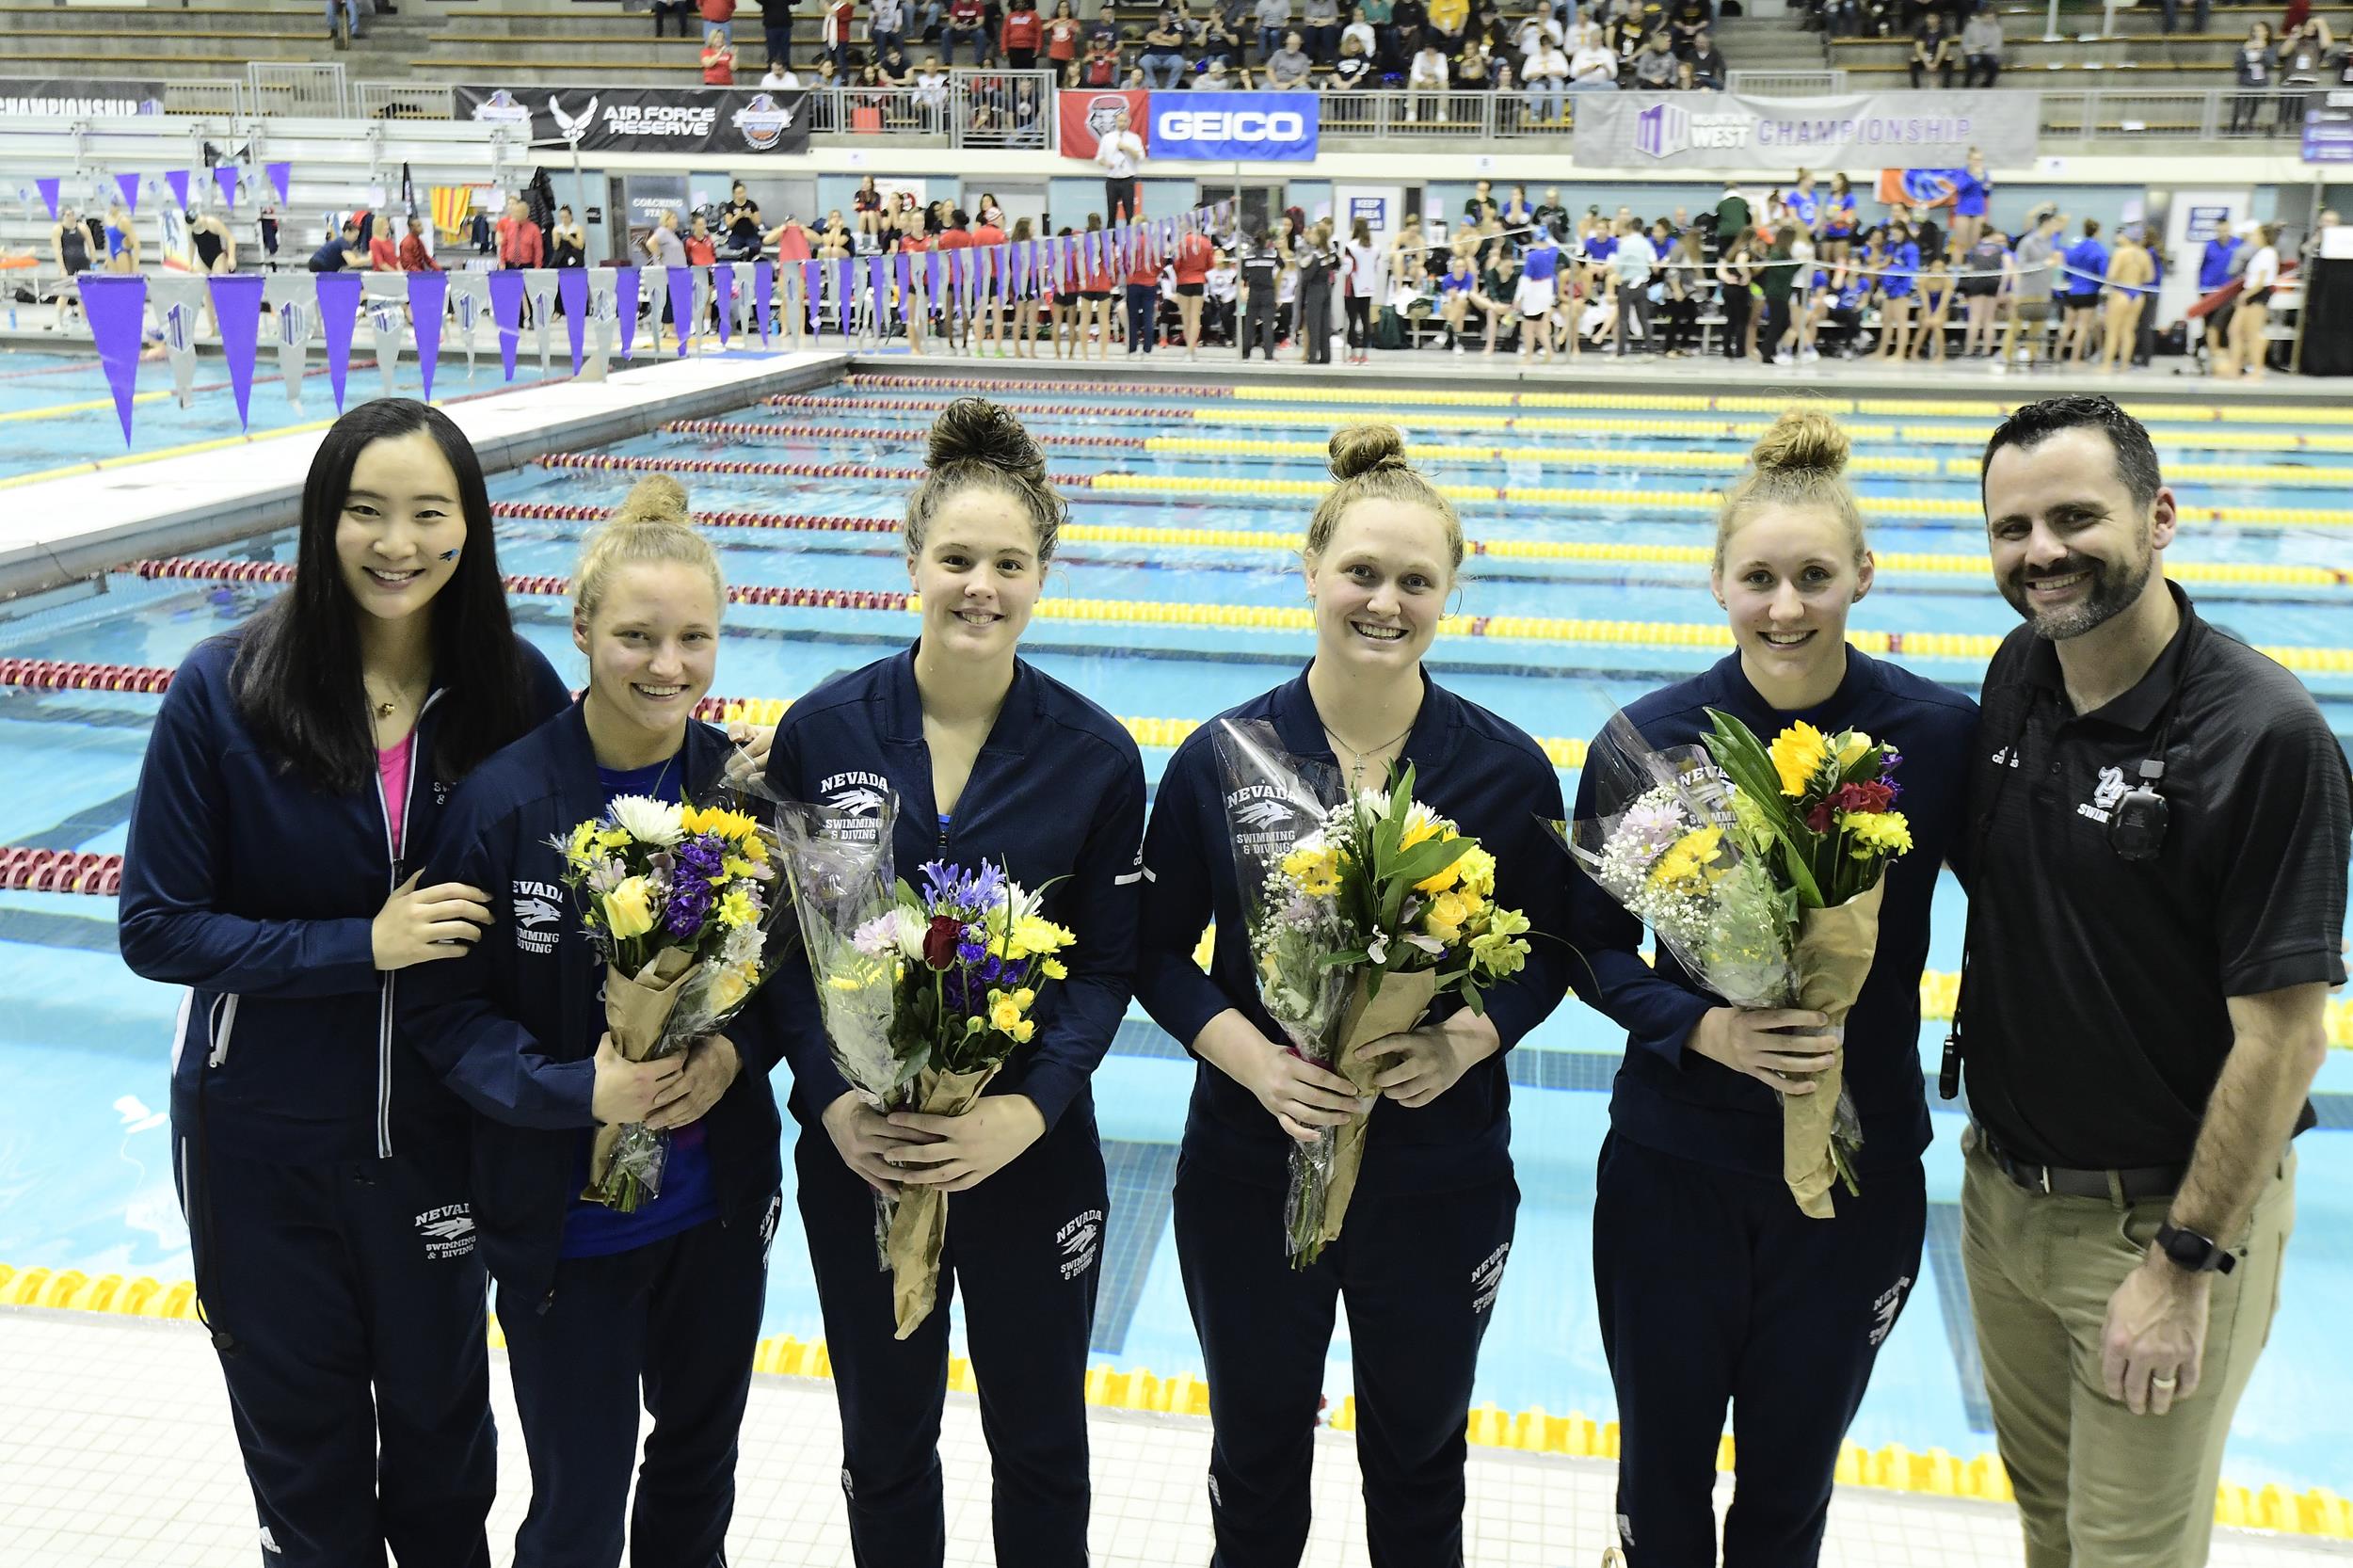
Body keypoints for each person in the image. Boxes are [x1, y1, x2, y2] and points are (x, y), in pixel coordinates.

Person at [120, 399, 572, 1568]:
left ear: (469, 528)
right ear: (323, 524)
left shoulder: (513, 691)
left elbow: (599, 847)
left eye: (429, 512)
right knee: (307, 1483)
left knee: (442, 1470)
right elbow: (157, 927)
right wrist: (353, 945)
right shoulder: (222, 691)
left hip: (435, 1144)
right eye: (365, 512)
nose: (397, 542)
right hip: (261, 1149)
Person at [1135, 425, 1572, 1568]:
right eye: (1363, 574)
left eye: (1415, 581)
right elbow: (1151, 951)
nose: (1386, 601)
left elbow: (1555, 948)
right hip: (1247, 1161)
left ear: (1449, 595)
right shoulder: (1220, 757)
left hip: (1437, 1174)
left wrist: (1467, 1041)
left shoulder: (1506, 769)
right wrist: (1255, 1063)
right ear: (1313, 570)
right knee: (1257, 1451)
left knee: (1421, 1462)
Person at [1568, 406, 1977, 1568]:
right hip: (1673, 1169)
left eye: (1812, 575)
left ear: (1862, 573)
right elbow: (1586, 948)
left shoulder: (1935, 734)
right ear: (1716, 583)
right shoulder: (1650, 741)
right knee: (1659, 1474)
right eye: (1758, 578)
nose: (1785, 604)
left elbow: (2012, 908)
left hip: (1857, 1175)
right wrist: (1701, 1029)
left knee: (1790, 1490)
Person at [1957, 394, 2348, 1568]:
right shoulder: (2020, 670)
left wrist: (2182, 1265)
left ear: (2159, 516)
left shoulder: (2263, 735)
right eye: (2012, 527)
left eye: (2076, 516)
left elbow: (2284, 1039)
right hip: (2003, 1205)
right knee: (2052, 1529)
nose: (2042, 552)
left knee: (2132, 1554)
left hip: (2158, 1226)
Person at [764, 401, 1144, 1568]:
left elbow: (1105, 963)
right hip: (861, 1150)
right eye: (958, 559)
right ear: (911, 561)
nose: (981, 586)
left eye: (1008, 564)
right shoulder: (824, 729)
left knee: (1040, 1444)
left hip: (1027, 1157)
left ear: (1043, 577)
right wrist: (832, 1104)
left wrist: (1021, 1113)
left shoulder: (1094, 756)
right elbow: (786, 949)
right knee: (884, 1441)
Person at [403, 474, 787, 1568]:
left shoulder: (738, 791)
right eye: (635, 636)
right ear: (580, 633)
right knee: (578, 1500)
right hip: (565, 1225)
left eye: (693, 638)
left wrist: (728, 1052)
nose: (667, 665)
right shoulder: (505, 803)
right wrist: (577, 1091)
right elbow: (445, 1016)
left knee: (697, 1480)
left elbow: (785, 985)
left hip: (714, 1211)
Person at [2229, 222, 2281, 380]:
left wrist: (2246, 295)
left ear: (2264, 237)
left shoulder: (2268, 253)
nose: (2252, 237)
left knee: (2254, 334)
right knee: (2235, 330)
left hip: (2257, 294)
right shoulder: (2260, 253)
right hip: (2250, 292)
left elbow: (2261, 281)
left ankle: (2257, 369)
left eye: (2255, 234)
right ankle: (2235, 367)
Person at [2099, 227, 2154, 373]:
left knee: (2112, 331)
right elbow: (2150, 277)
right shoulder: (2145, 254)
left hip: (2121, 293)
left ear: (2127, 237)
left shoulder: (2121, 252)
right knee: (2128, 331)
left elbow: (2111, 275)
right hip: (2137, 294)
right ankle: (2124, 365)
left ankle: (2107, 365)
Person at [2197, 219, 2247, 375]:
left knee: (2223, 325)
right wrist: (2200, 288)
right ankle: (2212, 359)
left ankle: (2228, 360)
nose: (2222, 233)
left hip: (2229, 292)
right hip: (2209, 291)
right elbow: (2202, 267)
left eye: (2225, 230)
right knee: (2209, 324)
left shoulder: (2239, 244)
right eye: (2220, 230)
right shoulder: (2210, 246)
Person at [1959, 222, 2012, 360]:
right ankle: (1986, 351)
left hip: (1977, 282)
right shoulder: (2001, 249)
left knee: (1975, 318)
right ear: (1992, 234)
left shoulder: (1974, 249)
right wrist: (2002, 287)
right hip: (1993, 282)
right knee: (1989, 319)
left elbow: (1969, 269)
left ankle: (1969, 351)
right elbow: (2007, 269)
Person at [2057, 218, 2107, 364]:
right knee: (2083, 326)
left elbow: (2066, 271)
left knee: (2067, 325)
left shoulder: (2074, 249)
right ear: (2097, 232)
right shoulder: (2099, 250)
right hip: (2089, 292)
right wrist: (2098, 286)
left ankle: (2057, 354)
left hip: (2072, 292)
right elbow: (2103, 274)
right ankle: (2074, 358)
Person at [1609, 214, 1657, 357]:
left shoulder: (1625, 244)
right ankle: (1650, 350)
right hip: (1642, 285)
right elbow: (1654, 264)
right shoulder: (1647, 244)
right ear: (1642, 229)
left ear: (1630, 228)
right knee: (1644, 319)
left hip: (1627, 284)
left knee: (1623, 319)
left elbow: (1618, 268)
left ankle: (1621, 352)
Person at [1295, 217, 1337, 363]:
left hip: (1315, 290)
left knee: (1313, 325)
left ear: (1319, 237)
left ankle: (1312, 357)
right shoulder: (1330, 253)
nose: (1310, 236)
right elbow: (1337, 265)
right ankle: (1326, 356)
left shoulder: (1316, 256)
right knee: (1325, 325)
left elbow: (1306, 277)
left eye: (1313, 234)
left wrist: (1303, 267)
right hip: (1326, 288)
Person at [1239, 225, 1282, 360]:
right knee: (1268, 325)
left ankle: (1245, 353)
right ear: (1267, 241)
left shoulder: (1248, 255)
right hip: (1268, 292)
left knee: (1249, 324)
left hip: (1253, 292)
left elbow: (1243, 275)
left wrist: (1243, 289)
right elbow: (1283, 266)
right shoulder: (1273, 254)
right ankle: (1268, 354)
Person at [1096, 106, 1144, 226]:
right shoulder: (1107, 138)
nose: (1122, 123)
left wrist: (1127, 148)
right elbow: (1099, 158)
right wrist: (1106, 163)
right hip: (1112, 179)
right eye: (1119, 121)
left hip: (1127, 179)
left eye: (1124, 121)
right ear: (1116, 122)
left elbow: (1140, 157)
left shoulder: (1134, 138)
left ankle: (1130, 241)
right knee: (1111, 213)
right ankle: (1111, 241)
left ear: (1128, 122)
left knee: (1129, 214)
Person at [1715, 232, 1755, 360]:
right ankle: (1740, 350)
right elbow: (1741, 262)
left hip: (1728, 288)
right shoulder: (1745, 250)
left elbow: (1720, 268)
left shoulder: (1731, 250)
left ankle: (1726, 349)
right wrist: (1746, 275)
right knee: (1741, 321)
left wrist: (1726, 278)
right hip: (1739, 288)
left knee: (1730, 320)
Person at [1948, 148, 1993, 257]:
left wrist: (1987, 187)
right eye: (1975, 159)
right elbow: (1960, 188)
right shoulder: (1962, 172)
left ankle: (1973, 271)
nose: (1978, 162)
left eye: (1980, 160)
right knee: (1960, 244)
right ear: (1969, 160)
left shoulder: (1984, 173)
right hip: (1963, 210)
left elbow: (1986, 194)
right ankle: (1956, 272)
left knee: (1975, 244)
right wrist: (1974, 177)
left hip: (1978, 210)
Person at [718, 181, 764, 262]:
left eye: (742, 192)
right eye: (738, 193)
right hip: (736, 235)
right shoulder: (730, 206)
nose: (741, 195)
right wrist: (737, 217)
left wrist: (750, 216)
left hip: (751, 234)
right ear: (734, 194)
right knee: (732, 248)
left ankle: (750, 262)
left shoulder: (752, 204)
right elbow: (728, 225)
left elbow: (758, 222)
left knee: (755, 247)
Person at [1910, 12, 1955, 88]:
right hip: (1925, 56)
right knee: (1913, 61)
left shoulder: (1943, 30)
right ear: (1926, 19)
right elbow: (1919, 48)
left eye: (1934, 18)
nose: (1932, 20)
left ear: (1938, 19)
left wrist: (1936, 63)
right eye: (1929, 18)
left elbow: (1942, 48)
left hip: (1938, 56)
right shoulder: (1921, 30)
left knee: (1950, 60)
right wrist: (1927, 63)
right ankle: (1916, 88)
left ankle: (1946, 87)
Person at [1961, 7, 2002, 86]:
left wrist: (1980, 50)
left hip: (1988, 54)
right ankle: (1967, 84)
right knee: (1974, 61)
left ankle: (1987, 85)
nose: (1989, 19)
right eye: (1987, 17)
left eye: (1992, 17)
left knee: (1995, 63)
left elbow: (1997, 48)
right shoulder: (1971, 26)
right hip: (1972, 52)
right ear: (1982, 16)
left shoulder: (1997, 29)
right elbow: (1964, 44)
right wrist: (1972, 49)